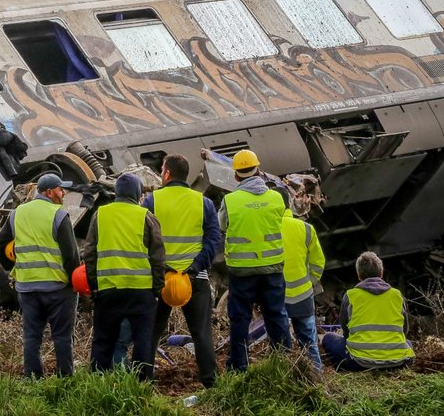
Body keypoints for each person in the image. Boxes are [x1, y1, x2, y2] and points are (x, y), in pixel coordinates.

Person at [0, 173, 82, 378]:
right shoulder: (59, 215)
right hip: (58, 288)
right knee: (62, 337)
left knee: (32, 336)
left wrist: (12, 267)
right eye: (61, 189)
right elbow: (71, 255)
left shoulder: (17, 213)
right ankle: (65, 379)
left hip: (27, 287)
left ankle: (32, 378)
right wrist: (74, 282)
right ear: (49, 192)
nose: (64, 193)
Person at [144, 154, 220, 387]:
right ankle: (211, 383)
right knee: (202, 334)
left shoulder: (151, 200)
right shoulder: (203, 202)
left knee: (150, 334)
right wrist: (195, 267)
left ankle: (143, 381)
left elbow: (143, 239)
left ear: (166, 173)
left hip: (160, 279)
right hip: (195, 278)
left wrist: (162, 268)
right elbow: (214, 239)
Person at [85, 173, 168, 381]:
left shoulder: (100, 215)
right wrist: (157, 289)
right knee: (143, 342)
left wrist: (94, 287)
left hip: (108, 290)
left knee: (103, 341)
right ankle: (142, 388)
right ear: (138, 193)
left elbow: (89, 254)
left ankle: (97, 385)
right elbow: (158, 257)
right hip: (141, 292)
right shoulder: (146, 217)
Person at [220, 149, 293, 372]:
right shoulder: (276, 198)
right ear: (259, 171)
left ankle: (240, 365)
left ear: (235, 176)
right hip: (272, 269)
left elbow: (222, 226)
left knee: (240, 319)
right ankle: (285, 362)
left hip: (242, 271)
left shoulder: (230, 200)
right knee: (276, 313)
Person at [321, 252, 414, 371]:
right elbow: (404, 330)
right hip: (398, 361)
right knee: (408, 343)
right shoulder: (397, 295)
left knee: (328, 338)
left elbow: (346, 331)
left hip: (358, 362)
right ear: (381, 273)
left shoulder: (351, 295)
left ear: (359, 275)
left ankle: (344, 368)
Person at [281, 201, 325, 371]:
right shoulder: (306, 228)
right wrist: (311, 282)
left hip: (277, 296)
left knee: (281, 347)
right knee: (309, 343)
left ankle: (283, 380)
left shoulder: (268, 228)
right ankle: (317, 378)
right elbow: (318, 261)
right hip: (303, 295)